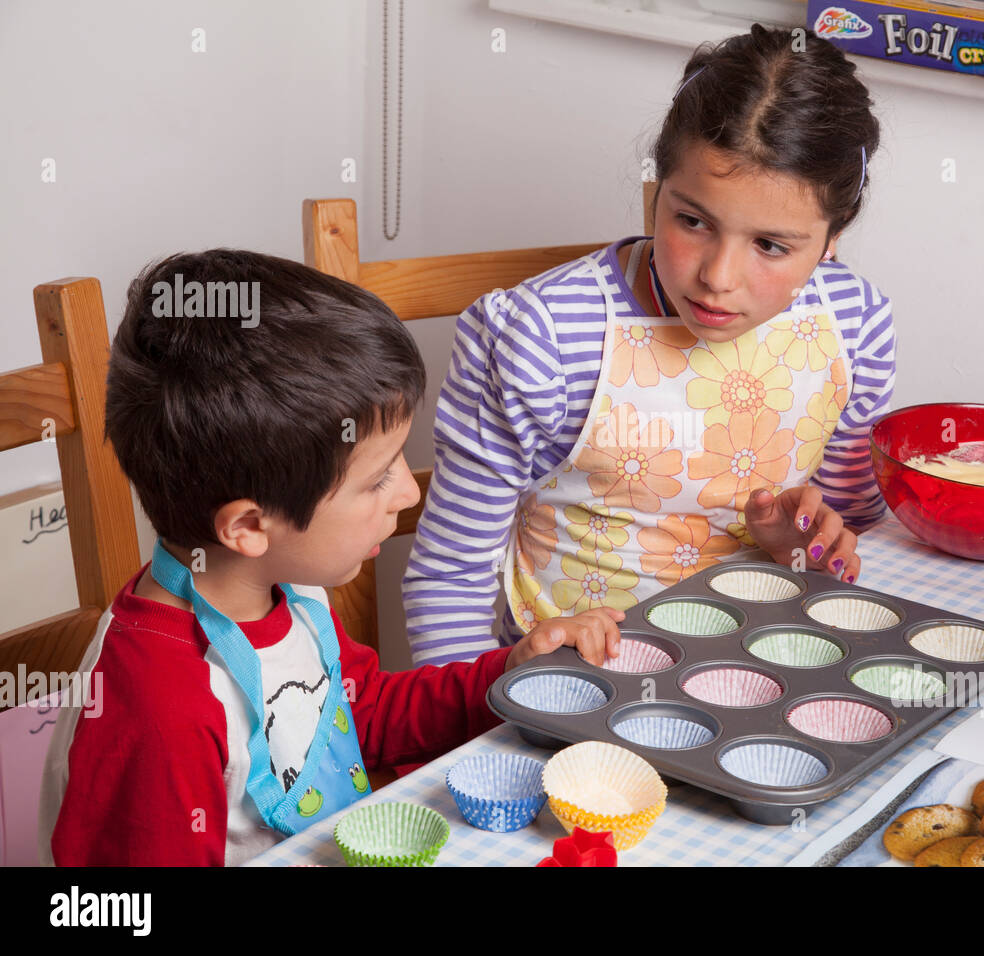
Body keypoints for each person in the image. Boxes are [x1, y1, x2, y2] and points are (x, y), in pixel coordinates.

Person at [38, 249, 621, 866]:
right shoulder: (163, 708)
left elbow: (355, 718)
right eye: (376, 480)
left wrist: (506, 673)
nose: (409, 490)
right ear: (249, 527)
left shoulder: (285, 588)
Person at [403, 24, 896, 666]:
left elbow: (851, 528)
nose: (718, 278)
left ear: (833, 238)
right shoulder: (542, 339)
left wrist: (795, 543)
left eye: (771, 245)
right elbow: (449, 581)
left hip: (761, 664)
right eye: (692, 221)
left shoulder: (855, 326)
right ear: (653, 190)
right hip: (572, 688)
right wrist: (470, 719)